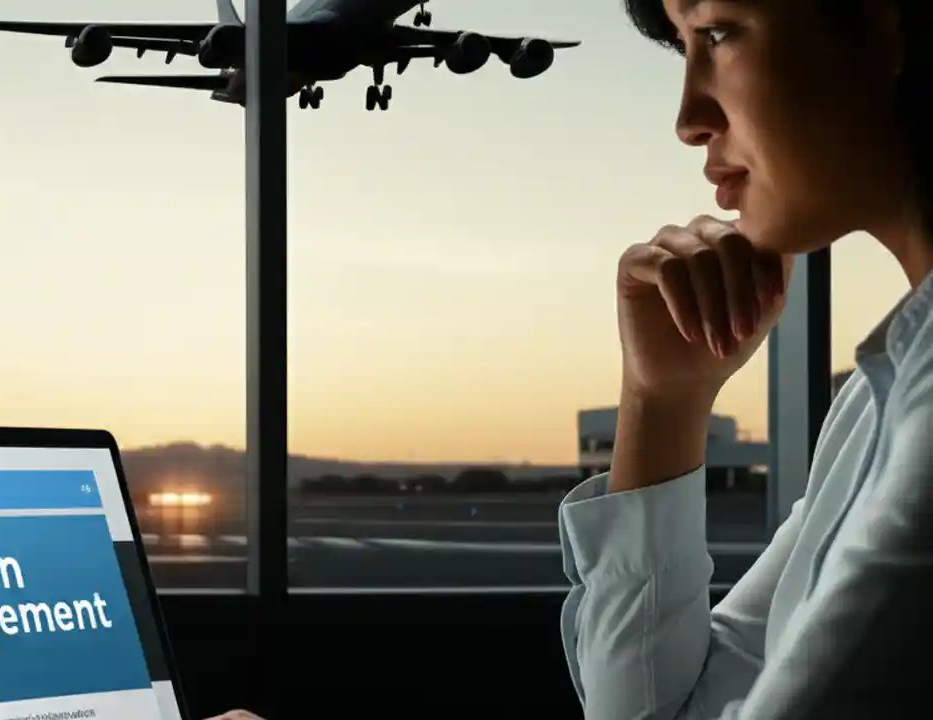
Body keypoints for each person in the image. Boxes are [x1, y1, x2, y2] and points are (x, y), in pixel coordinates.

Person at [206, 0, 931, 717]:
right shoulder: (874, 406)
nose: (687, 119)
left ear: (884, 22)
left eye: (717, 32)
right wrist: (661, 401)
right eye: (684, 47)